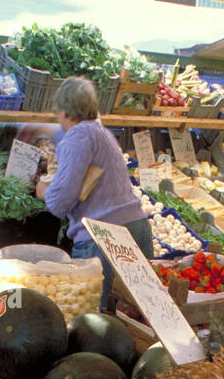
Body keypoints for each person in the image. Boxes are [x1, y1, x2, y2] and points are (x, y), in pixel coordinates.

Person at [34, 77, 152, 312]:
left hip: (103, 238)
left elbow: (60, 203)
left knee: (95, 319)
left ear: (66, 111)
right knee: (138, 315)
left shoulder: (78, 137)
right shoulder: (103, 134)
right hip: (137, 229)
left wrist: (43, 190)